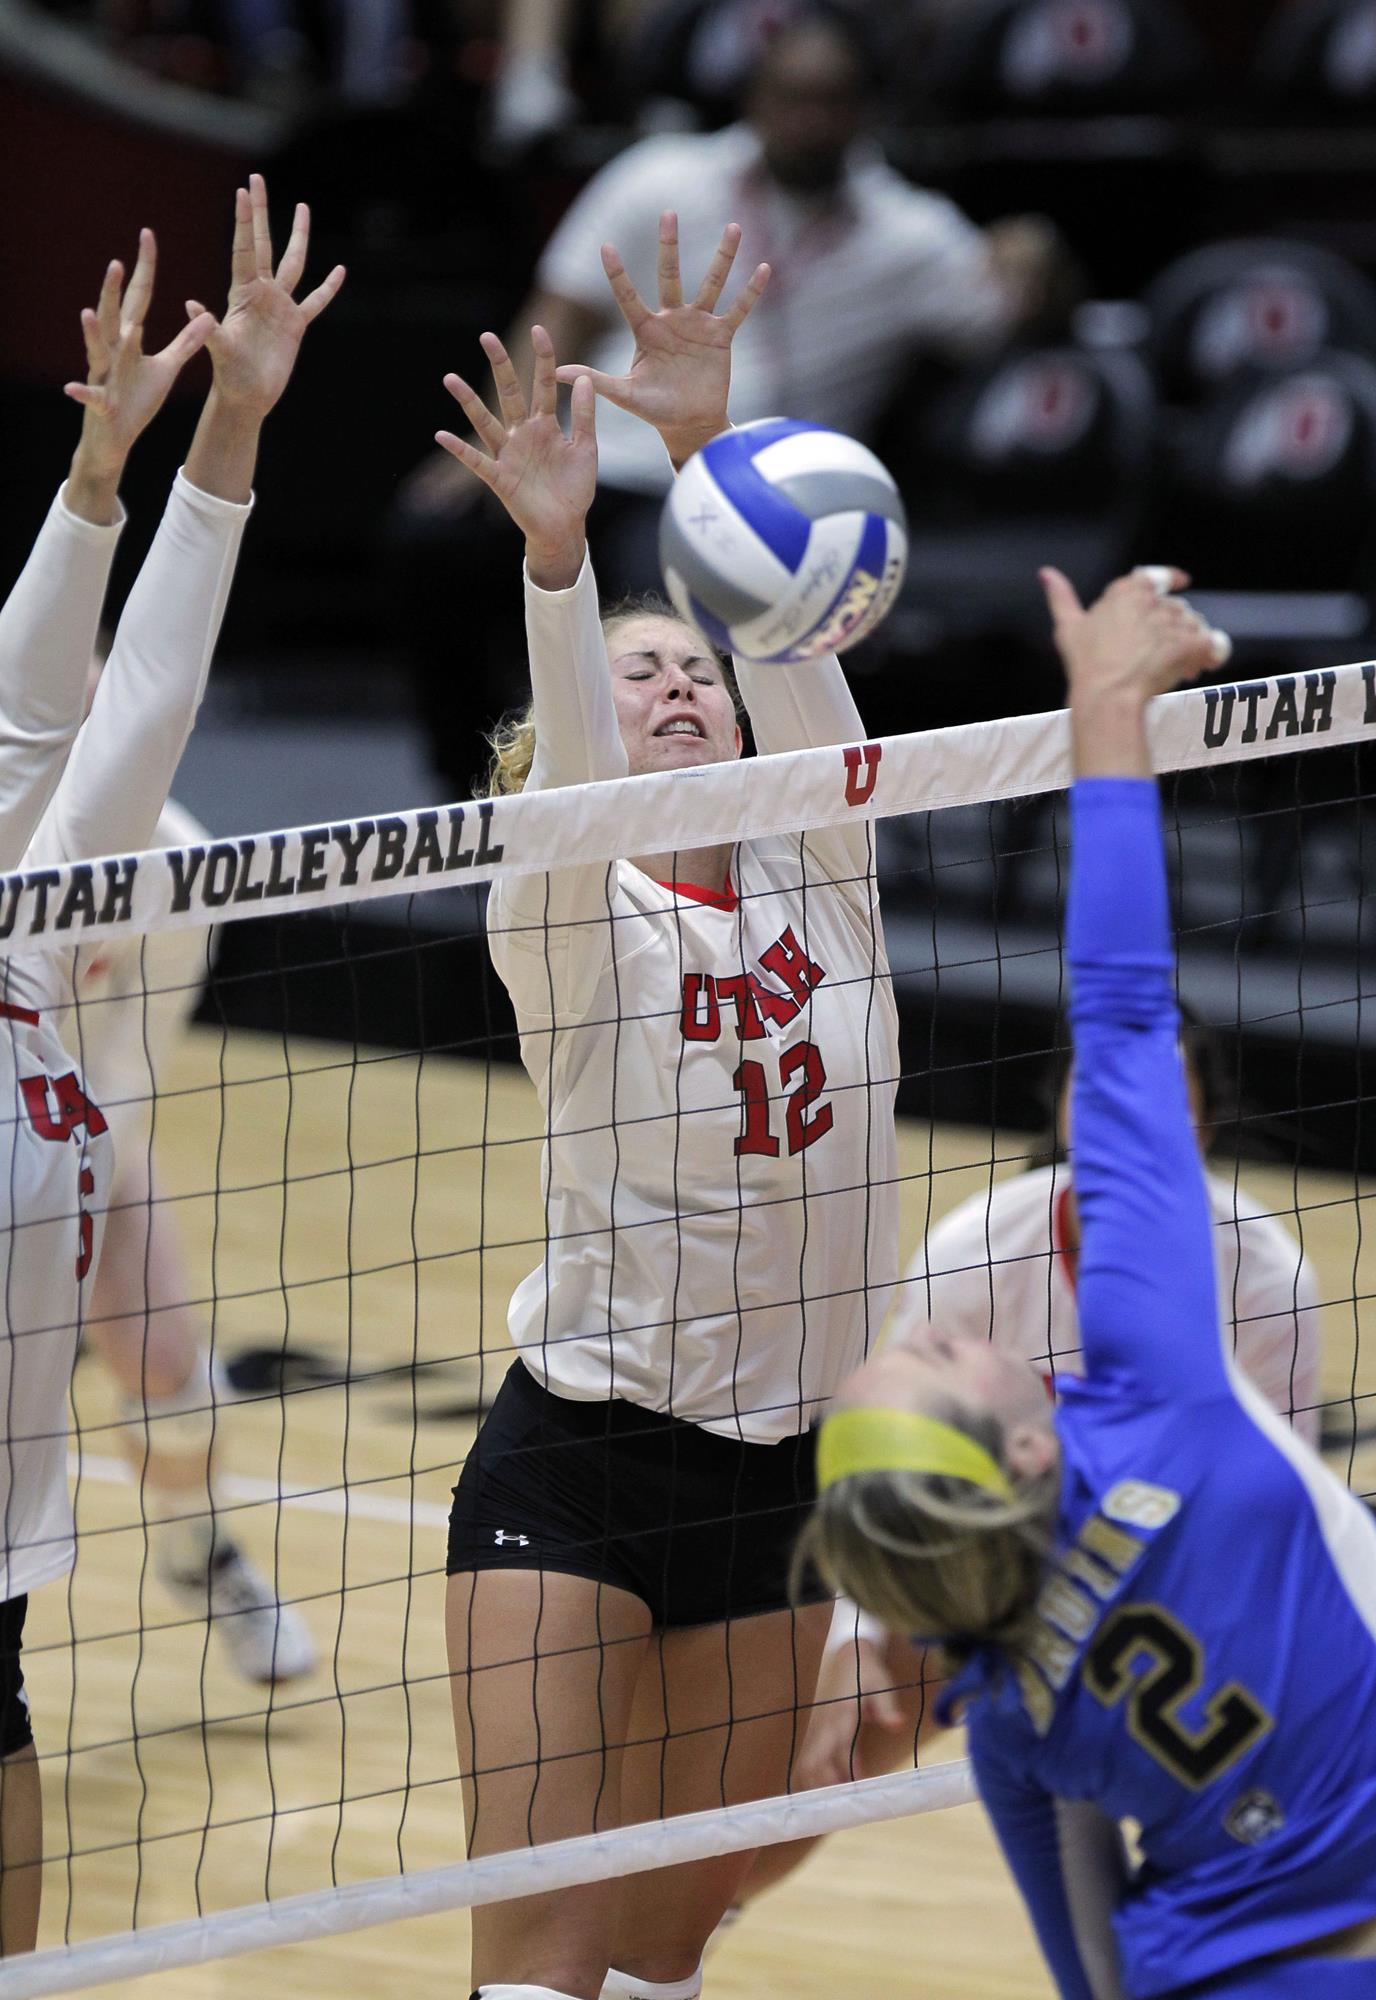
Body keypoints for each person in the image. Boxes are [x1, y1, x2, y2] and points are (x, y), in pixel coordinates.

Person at [795, 565, 1376, 2000]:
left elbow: (1086, 1963)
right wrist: (1106, 708)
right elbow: (1122, 1000)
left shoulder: (1010, 1721)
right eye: (940, 1358)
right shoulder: (1175, 1407)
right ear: (1023, 1437)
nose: (947, 1334)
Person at [438, 217, 899, 2000]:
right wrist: (562, 567)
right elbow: (560, 778)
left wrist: (708, 456)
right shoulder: (565, 917)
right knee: (539, 1957)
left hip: (783, 1480)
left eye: (694, 664)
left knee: (657, 1957)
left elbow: (800, 666)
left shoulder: (827, 873)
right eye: (644, 674)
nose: (681, 679)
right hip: (584, 1462)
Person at [0, 180, 341, 1950]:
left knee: (166, 1360)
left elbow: (106, 697)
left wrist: (197, 443)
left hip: (67, 1145)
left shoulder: (111, 894)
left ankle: (208, 1551)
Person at [396, 0, 1075, 794]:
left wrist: (1042, 257)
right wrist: (502, 445)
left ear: (861, 112)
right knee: (430, 536)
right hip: (597, 453)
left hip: (742, 491)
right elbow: (559, 316)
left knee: (648, 580)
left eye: (829, 101)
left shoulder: (911, 237)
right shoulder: (662, 175)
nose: (807, 119)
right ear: (753, 99)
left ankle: (664, 811)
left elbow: (1020, 306)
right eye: (790, 97)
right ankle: (467, 796)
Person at [742, 1023, 1322, 1903]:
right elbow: (882, 1462)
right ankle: (680, 1951)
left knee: (1249, 1816)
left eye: (1155, 1093)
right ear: (1059, 1107)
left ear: (1199, 1127)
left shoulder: (1261, 1276)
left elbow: (1274, 1507)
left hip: (1156, 1592)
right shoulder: (983, 1240)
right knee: (817, 1767)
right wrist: (855, 1638)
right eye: (1093, 1089)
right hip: (973, 1563)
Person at [71, 784, 317, 1687]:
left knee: (172, 1383)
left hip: (76, 1123)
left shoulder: (173, 854)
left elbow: (128, 1067)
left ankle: (201, 1555)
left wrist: (62, 1199)